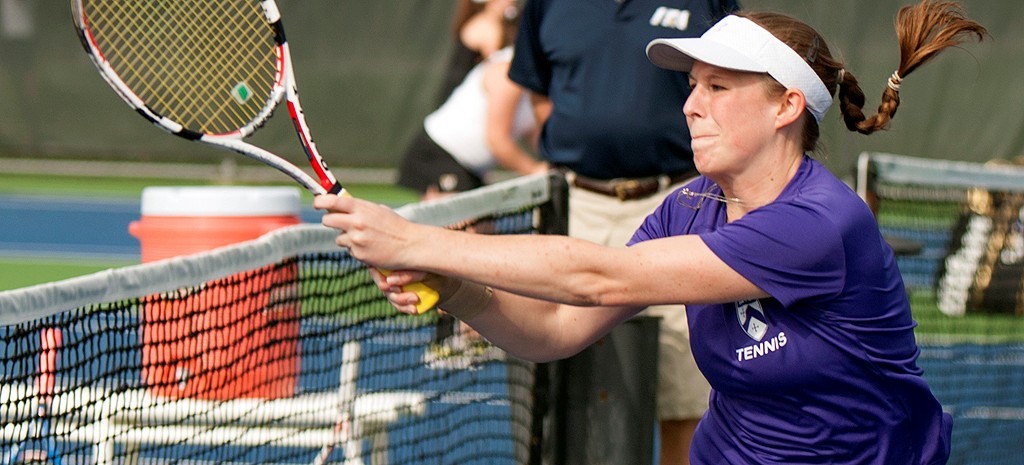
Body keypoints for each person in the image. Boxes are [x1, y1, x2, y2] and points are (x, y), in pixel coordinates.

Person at [316, 1, 986, 463]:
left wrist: (413, 239)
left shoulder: (822, 221)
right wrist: (457, 287)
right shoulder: (691, 205)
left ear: (786, 105)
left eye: (720, 87)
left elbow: (598, 274)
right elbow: (556, 327)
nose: (691, 104)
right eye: (693, 85)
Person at [507, 1, 738, 463]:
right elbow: (539, 93)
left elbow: (732, 84)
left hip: (678, 204)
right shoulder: (547, 4)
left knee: (688, 398)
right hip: (573, 207)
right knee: (549, 395)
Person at [397, 0, 546, 200]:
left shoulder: (540, 86)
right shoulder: (498, 55)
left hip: (471, 167)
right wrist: (536, 170)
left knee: (487, 226)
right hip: (439, 155)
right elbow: (497, 141)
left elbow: (540, 136)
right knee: (458, 229)